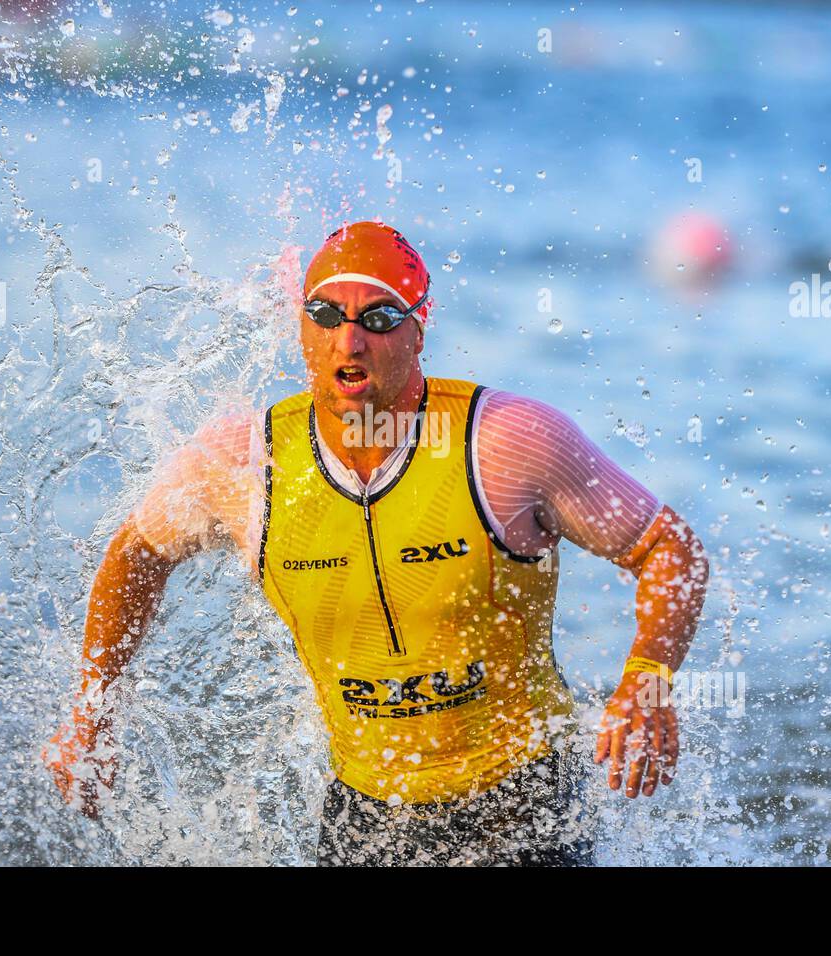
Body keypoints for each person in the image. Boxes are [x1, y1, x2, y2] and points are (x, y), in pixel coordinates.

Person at [43, 221, 710, 866]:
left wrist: (647, 679)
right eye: (326, 315)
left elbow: (669, 548)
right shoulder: (246, 464)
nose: (349, 341)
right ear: (300, 327)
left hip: (524, 798)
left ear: (419, 330)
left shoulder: (505, 442)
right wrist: (93, 708)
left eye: (380, 319)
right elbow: (137, 555)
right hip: (366, 815)